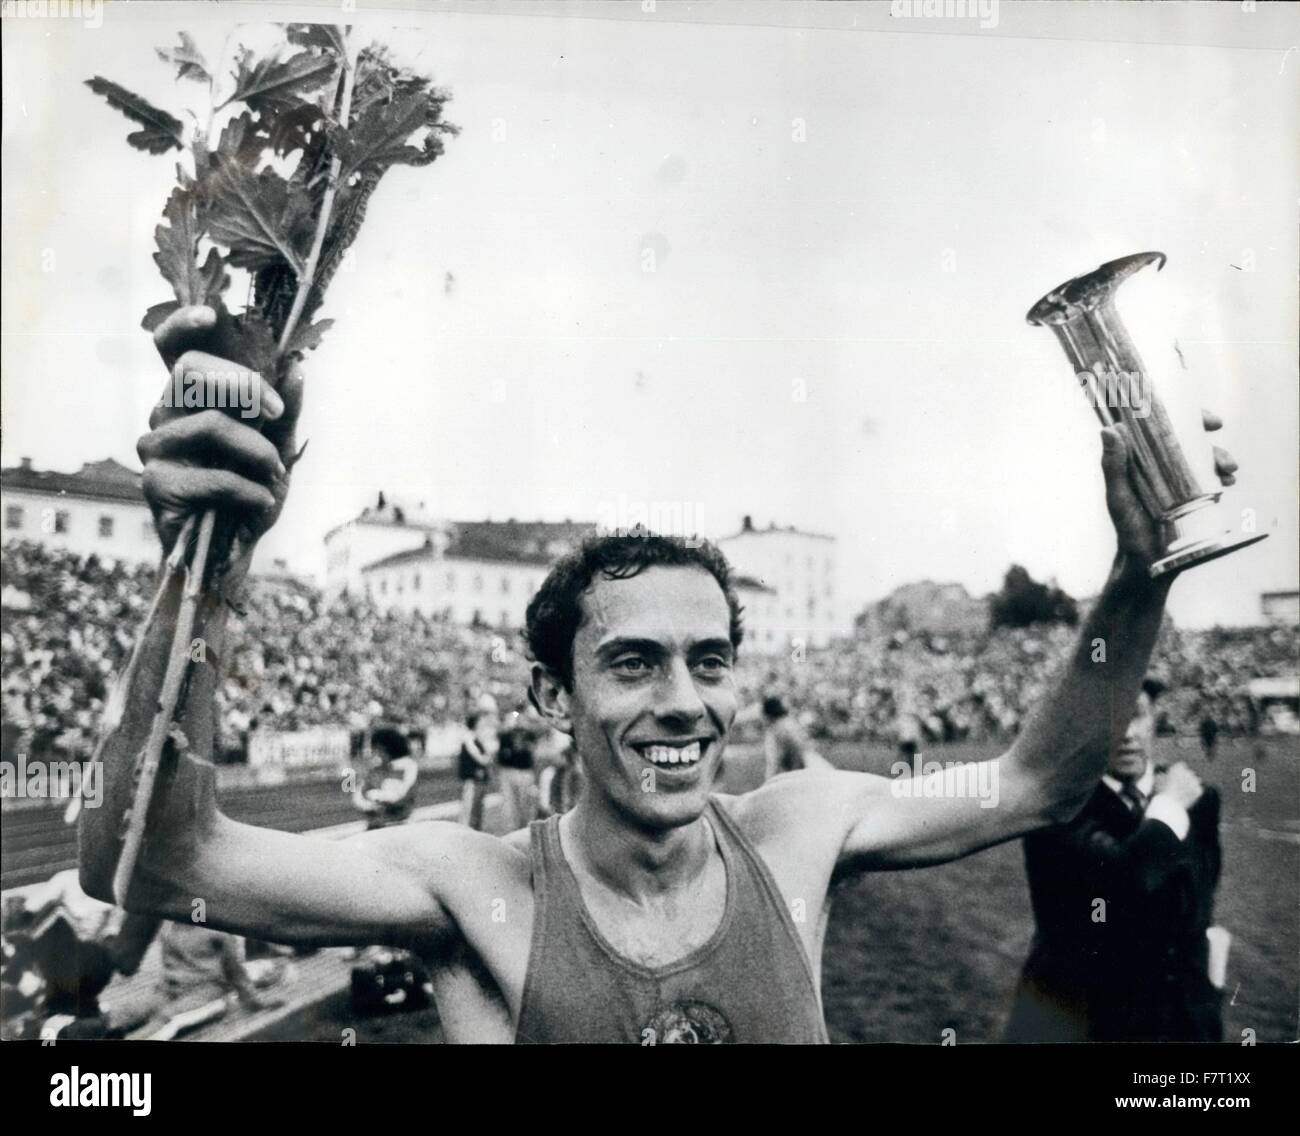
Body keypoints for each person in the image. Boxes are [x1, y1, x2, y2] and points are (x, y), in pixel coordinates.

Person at [80, 302, 1239, 1043]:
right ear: (552, 695)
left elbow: (1037, 780)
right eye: (632, 661)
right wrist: (209, 559)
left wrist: (1137, 575)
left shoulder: (800, 827)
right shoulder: (472, 887)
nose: (684, 699)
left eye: (709, 659)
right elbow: (150, 861)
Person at [1004, 677, 1225, 1042]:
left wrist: (1206, 1000)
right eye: (1108, 721)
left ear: (1155, 719)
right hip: (1085, 1021)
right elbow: (1127, 880)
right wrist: (1168, 806)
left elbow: (1199, 907)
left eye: (1135, 715)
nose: (1124, 733)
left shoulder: (1201, 800)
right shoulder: (1057, 809)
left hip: (1178, 1022)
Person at [352, 725, 419, 830]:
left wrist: (376, 796)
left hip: (400, 826)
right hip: (375, 825)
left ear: (387, 748)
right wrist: (368, 805)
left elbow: (402, 794)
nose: (374, 753)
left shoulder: (408, 766)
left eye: (378, 749)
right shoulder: (374, 769)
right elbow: (358, 796)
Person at [497, 704, 541, 832]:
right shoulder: (506, 733)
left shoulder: (530, 733)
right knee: (509, 807)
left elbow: (535, 749)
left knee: (525, 806)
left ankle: (524, 832)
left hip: (525, 772)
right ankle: (512, 832)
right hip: (508, 771)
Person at [761, 695, 822, 781]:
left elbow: (773, 761)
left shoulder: (775, 729)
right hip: (812, 763)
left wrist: (768, 781)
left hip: (802, 767)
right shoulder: (790, 722)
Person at [457, 711, 496, 830]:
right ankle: (466, 833)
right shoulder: (468, 738)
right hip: (472, 779)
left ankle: (475, 831)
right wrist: (487, 758)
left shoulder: (476, 738)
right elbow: (481, 758)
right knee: (469, 810)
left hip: (479, 780)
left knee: (477, 810)